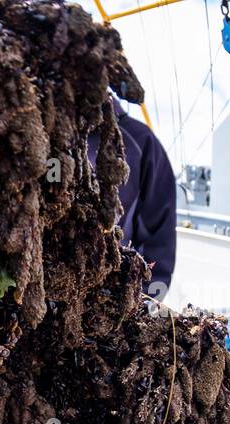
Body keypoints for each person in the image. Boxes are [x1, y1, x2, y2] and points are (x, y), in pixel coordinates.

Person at [90, 97, 178, 294]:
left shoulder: (141, 141)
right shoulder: (34, 133)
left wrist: (145, 306)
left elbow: (158, 239)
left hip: (109, 304)